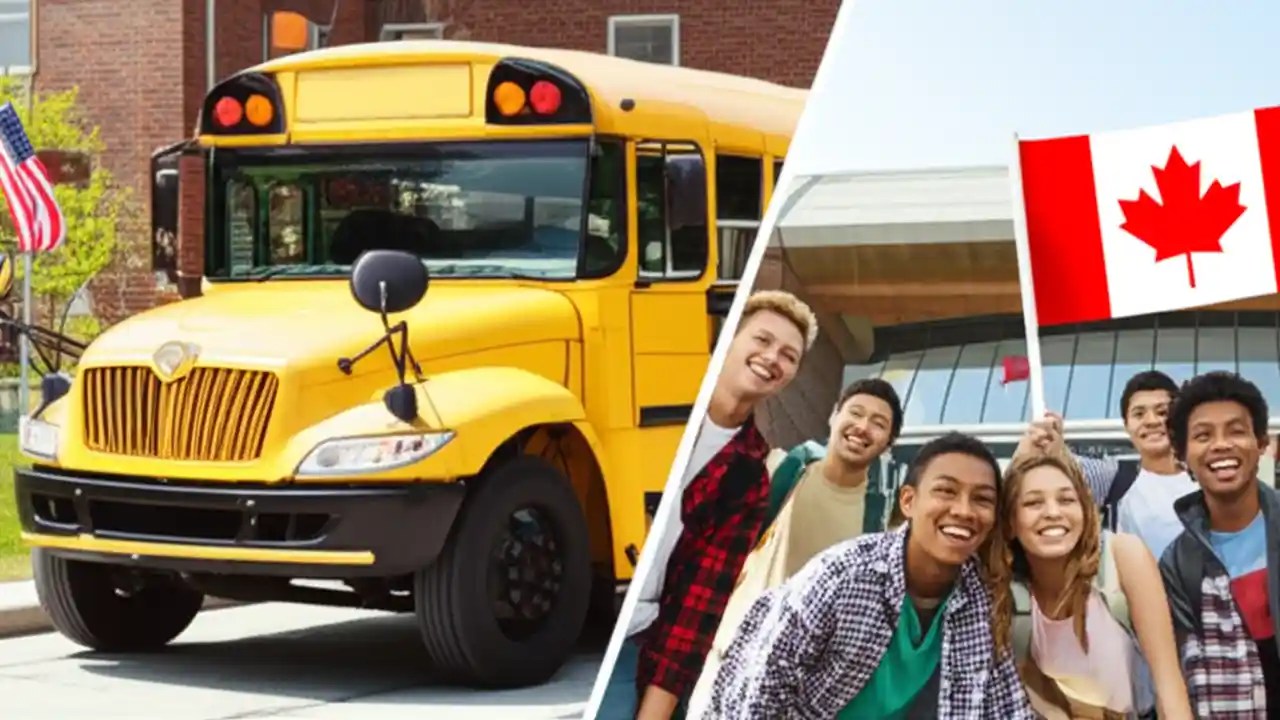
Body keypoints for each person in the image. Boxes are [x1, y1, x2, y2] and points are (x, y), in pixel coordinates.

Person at [598, 289, 819, 720]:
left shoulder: (749, 475)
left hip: (635, 639)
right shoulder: (658, 400)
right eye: (762, 340)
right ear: (729, 336)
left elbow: (697, 607)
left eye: (789, 355)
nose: (773, 357)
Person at [705, 432, 1036, 719]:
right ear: (908, 501)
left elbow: (1004, 705)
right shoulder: (845, 575)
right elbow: (756, 690)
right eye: (946, 491)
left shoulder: (979, 599)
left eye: (982, 499)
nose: (964, 510)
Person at [684, 378, 903, 716]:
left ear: (888, 443)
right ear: (833, 417)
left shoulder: (880, 520)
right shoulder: (779, 469)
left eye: (878, 423)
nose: (862, 427)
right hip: (731, 660)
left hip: (804, 693)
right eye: (855, 413)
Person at [988, 451, 1193, 719]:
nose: (1053, 512)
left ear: (1086, 510)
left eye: (1066, 500)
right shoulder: (1004, 592)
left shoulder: (1122, 557)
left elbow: (1169, 684)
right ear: (1011, 523)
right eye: (1033, 503)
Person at [1160, 371, 1280, 717]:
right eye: (1202, 435)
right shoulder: (1178, 562)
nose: (1221, 444)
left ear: (1261, 444)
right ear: (1183, 456)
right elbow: (1186, 667)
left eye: (1237, 431)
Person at [1016, 370, 1198, 559]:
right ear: (1127, 425)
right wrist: (1041, 442)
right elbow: (1060, 469)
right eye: (1139, 414)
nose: (1151, 421)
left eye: (1162, 412)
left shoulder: (1204, 478)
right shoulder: (1113, 476)